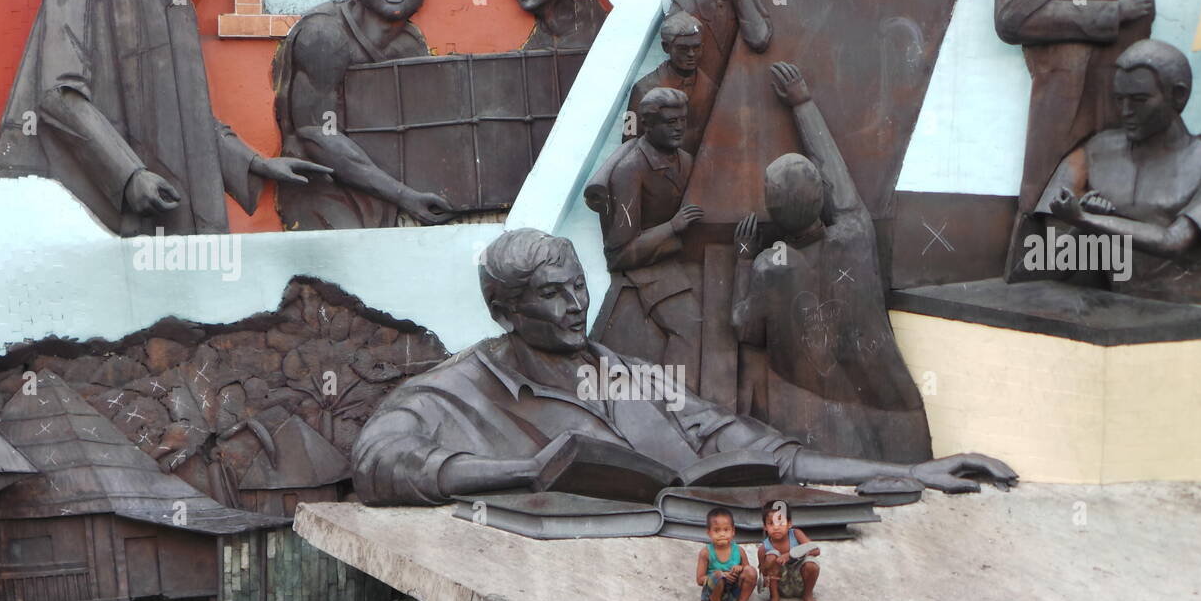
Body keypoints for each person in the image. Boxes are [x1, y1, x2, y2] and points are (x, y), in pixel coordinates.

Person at [350, 226, 1019, 506]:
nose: (575, 305)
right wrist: (524, 472)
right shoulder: (450, 392)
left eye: (578, 285)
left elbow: (756, 450)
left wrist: (907, 473)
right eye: (551, 294)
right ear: (503, 309)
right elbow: (380, 462)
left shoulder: (630, 376)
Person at [0, 0, 329, 236]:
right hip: (89, 220)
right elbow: (59, 96)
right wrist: (128, 175)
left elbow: (192, 119)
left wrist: (257, 165)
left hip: (173, 222)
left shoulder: (180, 11)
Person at [732, 63, 932, 461]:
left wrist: (742, 256)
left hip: (827, 431)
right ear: (820, 197)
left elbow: (743, 327)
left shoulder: (770, 267)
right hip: (899, 419)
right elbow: (838, 179)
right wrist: (802, 102)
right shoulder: (855, 235)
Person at [994, 0, 1155, 278]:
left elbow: (1144, 12)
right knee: (1051, 214)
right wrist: (1111, 13)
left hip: (1117, 95)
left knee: (1110, 211)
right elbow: (1015, 16)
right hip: (1062, 97)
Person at [1037, 40, 1201, 306]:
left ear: (1178, 96)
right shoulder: (1095, 152)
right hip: (1118, 314)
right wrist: (1084, 225)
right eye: (1119, 99)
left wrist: (1086, 219)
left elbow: (1175, 241)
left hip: (1194, 320)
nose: (1126, 112)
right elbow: (1051, 259)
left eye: (1139, 100)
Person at [271, 0, 455, 231]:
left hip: (393, 192)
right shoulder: (324, 34)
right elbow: (316, 134)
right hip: (326, 194)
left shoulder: (410, 44)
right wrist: (405, 195)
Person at [594, 87, 705, 383]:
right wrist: (673, 227)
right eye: (671, 122)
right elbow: (618, 254)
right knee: (689, 327)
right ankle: (681, 408)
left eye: (682, 120)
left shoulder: (686, 160)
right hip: (648, 269)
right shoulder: (630, 171)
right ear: (648, 125)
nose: (680, 127)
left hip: (680, 259)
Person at [626, 12, 719, 155]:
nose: (691, 54)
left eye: (696, 47)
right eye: (683, 49)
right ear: (666, 47)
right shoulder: (642, 89)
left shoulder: (710, 89)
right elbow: (628, 137)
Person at [695, 507, 758, 601]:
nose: (722, 534)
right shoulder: (706, 552)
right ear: (709, 532)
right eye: (717, 530)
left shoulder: (739, 551)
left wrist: (740, 568)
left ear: (733, 531)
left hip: (734, 596)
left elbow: (750, 575)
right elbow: (699, 579)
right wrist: (721, 575)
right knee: (717, 574)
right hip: (713, 596)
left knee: (751, 571)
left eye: (726, 529)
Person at [756, 499, 820, 601]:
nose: (776, 527)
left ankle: (808, 595)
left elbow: (815, 550)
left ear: (789, 523)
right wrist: (767, 567)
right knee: (771, 556)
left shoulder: (796, 534)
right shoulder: (763, 548)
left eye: (781, 523)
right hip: (780, 585)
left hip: (800, 582)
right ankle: (774, 598)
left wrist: (790, 555)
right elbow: (763, 572)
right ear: (765, 526)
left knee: (811, 564)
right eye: (771, 523)